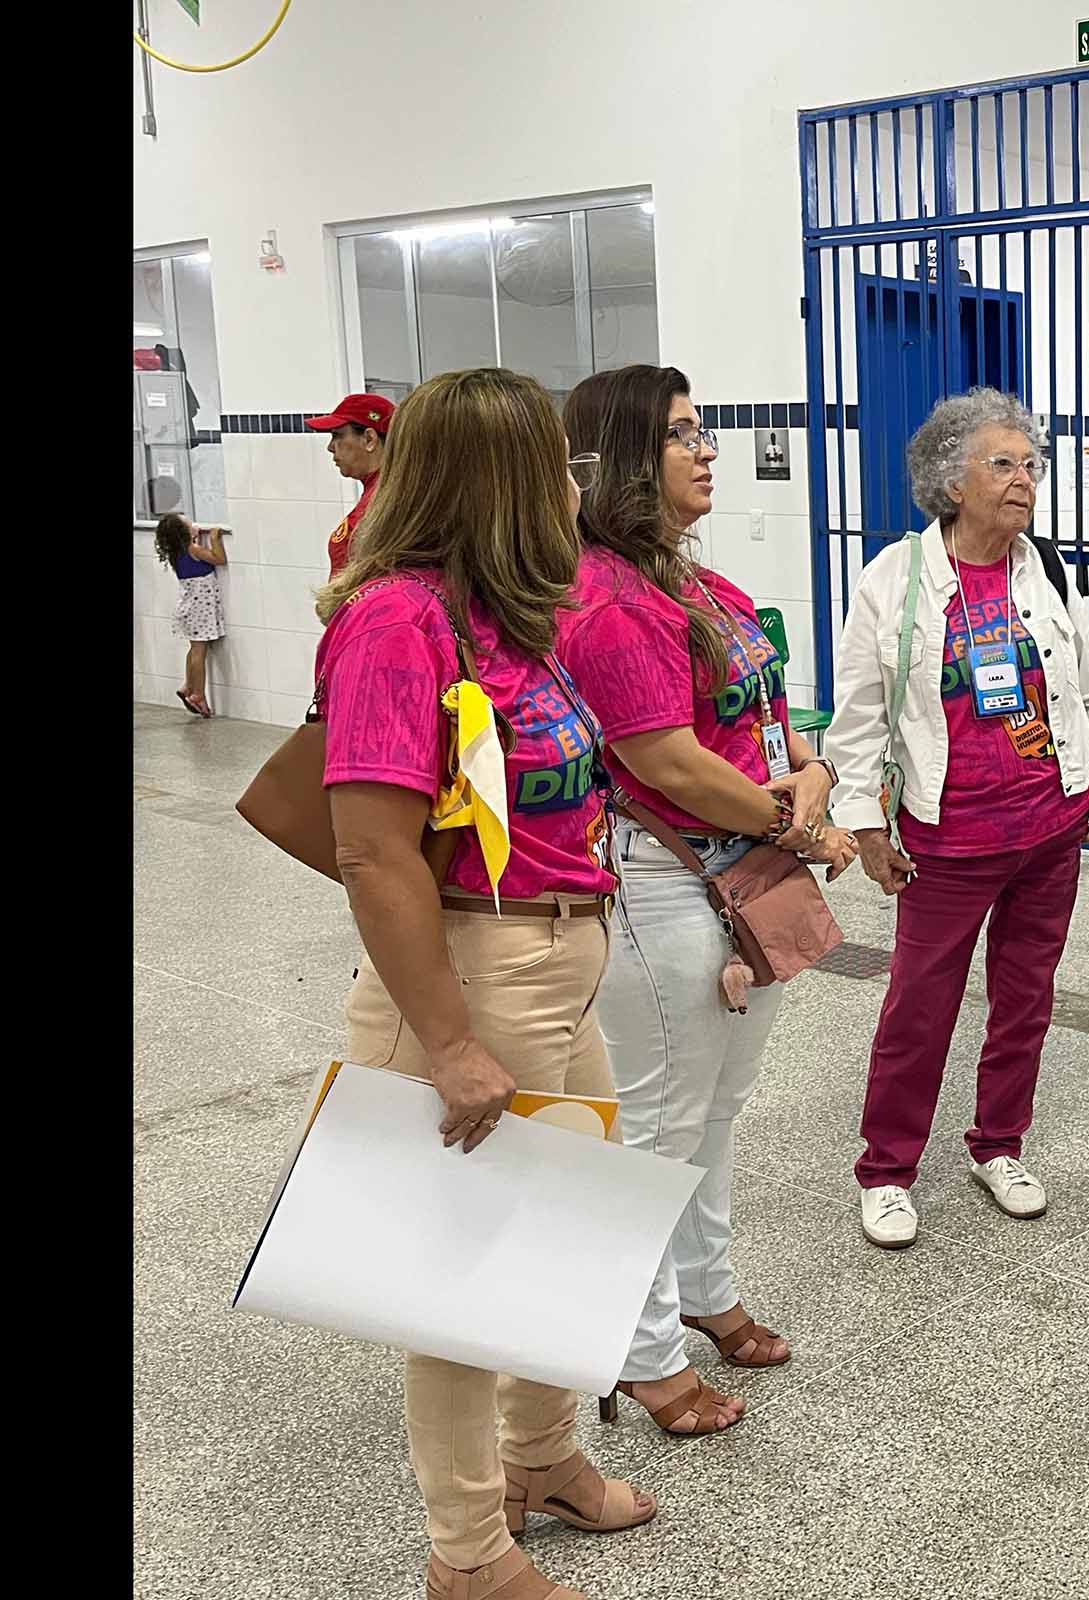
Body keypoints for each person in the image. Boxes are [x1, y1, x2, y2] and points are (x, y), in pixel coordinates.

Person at [316, 367, 648, 1600]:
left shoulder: (510, 618)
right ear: (501, 481)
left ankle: (547, 1457)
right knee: (458, 1273)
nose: (572, 488)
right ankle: (465, 1548)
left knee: (562, 1226)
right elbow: (369, 848)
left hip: (558, 948)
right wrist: (449, 1044)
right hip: (470, 963)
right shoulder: (399, 622)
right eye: (554, 467)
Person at [557, 364, 857, 1437]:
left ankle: (704, 1290)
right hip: (668, 879)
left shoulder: (696, 584)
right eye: (681, 434)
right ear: (626, 457)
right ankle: (640, 1351)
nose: (707, 448)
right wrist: (806, 826)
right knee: (654, 1126)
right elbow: (667, 759)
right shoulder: (605, 596)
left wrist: (813, 777)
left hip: (743, 869)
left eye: (704, 430)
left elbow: (773, 721)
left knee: (715, 1110)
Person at [822, 388, 1089, 1250]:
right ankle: (886, 1169)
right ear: (950, 481)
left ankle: (999, 1144)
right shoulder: (895, 580)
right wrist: (866, 824)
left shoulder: (1047, 571)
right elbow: (857, 718)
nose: (1024, 479)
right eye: (1003, 463)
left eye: (1031, 463)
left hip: (1049, 830)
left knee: (1026, 999)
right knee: (920, 1006)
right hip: (947, 840)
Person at [307, 390, 395, 579]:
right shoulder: (381, 491)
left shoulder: (386, 501)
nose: (330, 447)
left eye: (337, 435)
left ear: (369, 439)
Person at [156, 513, 228, 717]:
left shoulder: (176, 551)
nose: (194, 524)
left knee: (193, 649)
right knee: (199, 652)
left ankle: (188, 686)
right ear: (184, 532)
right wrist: (214, 539)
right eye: (189, 523)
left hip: (189, 608)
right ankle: (198, 694)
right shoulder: (193, 549)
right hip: (200, 609)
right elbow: (219, 559)